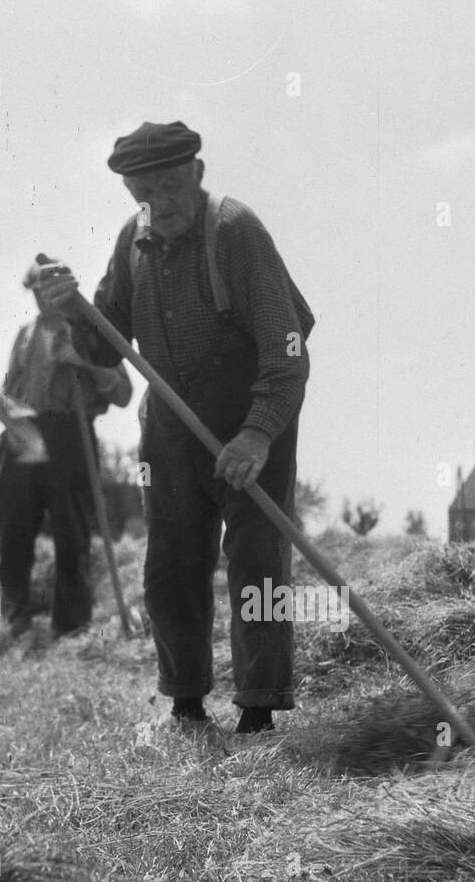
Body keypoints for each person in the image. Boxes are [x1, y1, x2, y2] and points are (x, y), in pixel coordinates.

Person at [35, 120, 312, 733]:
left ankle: (259, 712)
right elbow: (104, 347)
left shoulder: (236, 231)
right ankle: (186, 702)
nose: (159, 208)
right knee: (170, 565)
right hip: (168, 426)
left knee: (257, 567)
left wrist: (259, 431)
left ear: (197, 174)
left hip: (246, 416)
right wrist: (66, 311)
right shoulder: (131, 242)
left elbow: (289, 346)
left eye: (169, 189)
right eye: (143, 196)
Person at [0, 262, 131, 639]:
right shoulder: (25, 334)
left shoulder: (89, 333)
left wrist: (82, 362)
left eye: (49, 289)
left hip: (71, 434)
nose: (42, 297)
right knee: (13, 532)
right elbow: (9, 390)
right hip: (23, 435)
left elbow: (122, 393)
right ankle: (15, 620)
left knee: (72, 535)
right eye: (36, 290)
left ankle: (71, 627)